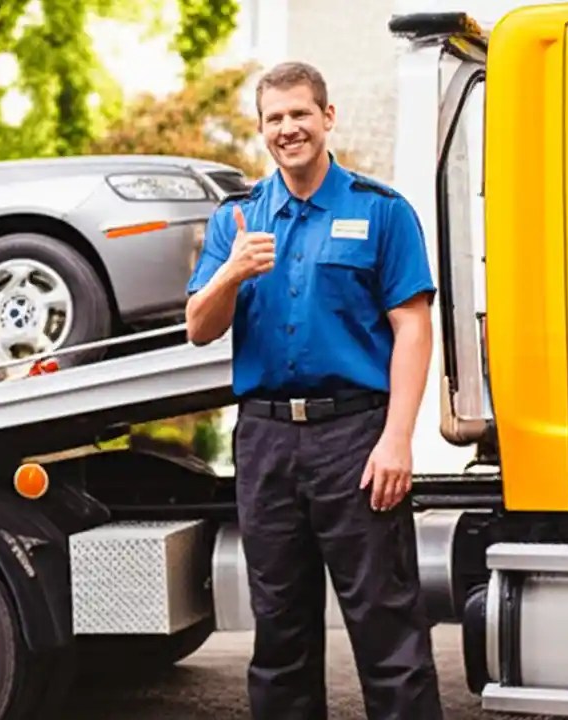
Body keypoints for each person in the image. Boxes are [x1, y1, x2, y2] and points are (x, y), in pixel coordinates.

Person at [184, 61, 444, 720]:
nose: (288, 128)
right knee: (279, 637)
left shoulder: (379, 212)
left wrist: (397, 441)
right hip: (266, 443)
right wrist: (231, 274)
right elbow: (198, 328)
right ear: (262, 130)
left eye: (300, 113)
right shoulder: (238, 220)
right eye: (274, 118)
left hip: (356, 440)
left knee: (388, 635)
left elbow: (413, 328)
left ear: (327, 118)